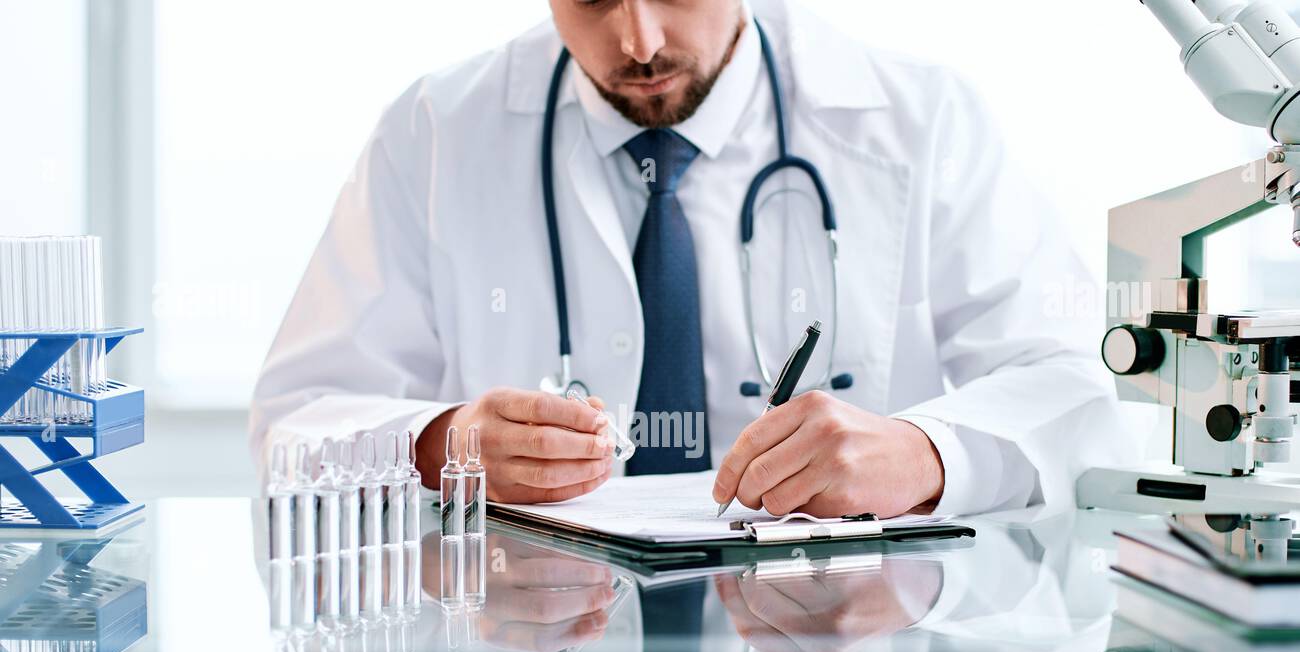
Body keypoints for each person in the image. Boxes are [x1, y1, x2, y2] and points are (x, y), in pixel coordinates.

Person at [250, 0, 1127, 518]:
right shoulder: (435, 132)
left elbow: (1075, 386)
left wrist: (927, 454)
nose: (638, 41)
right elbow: (295, 419)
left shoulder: (920, 119)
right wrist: (441, 445)